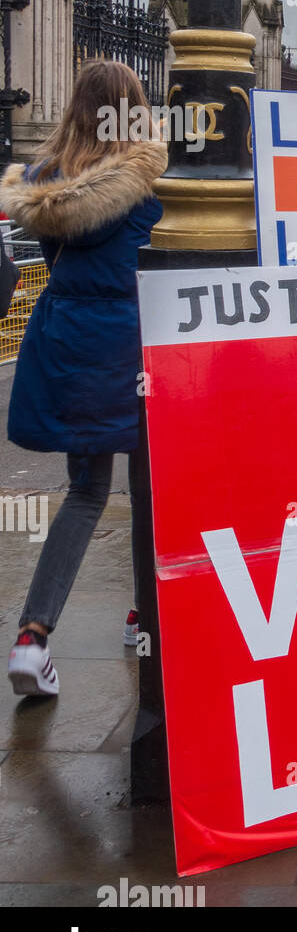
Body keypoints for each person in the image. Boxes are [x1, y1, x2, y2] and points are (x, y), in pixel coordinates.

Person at [3, 60, 167, 697]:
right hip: (135, 344)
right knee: (151, 491)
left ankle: (32, 638)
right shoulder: (150, 184)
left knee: (86, 492)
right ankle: (144, 617)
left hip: (67, 337)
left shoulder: (43, 182)